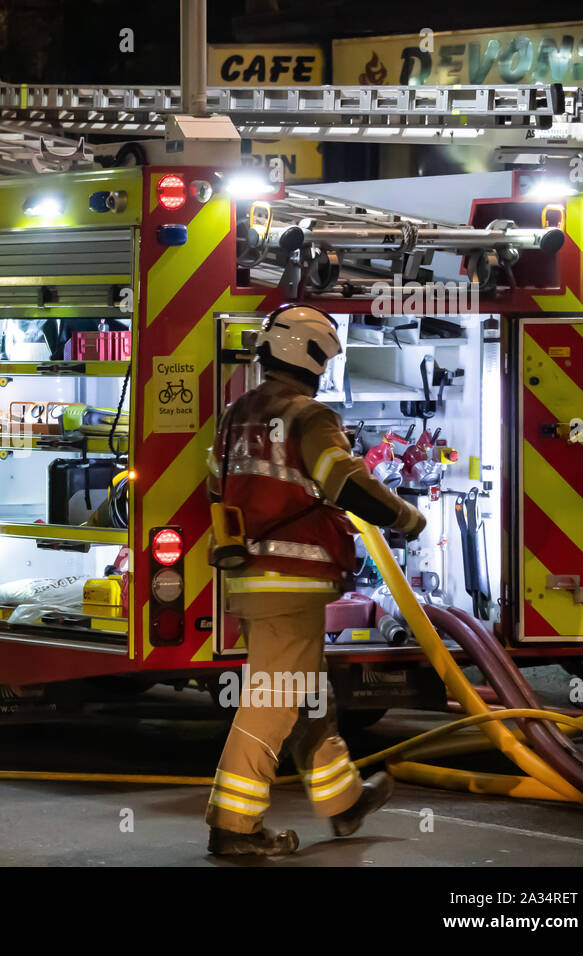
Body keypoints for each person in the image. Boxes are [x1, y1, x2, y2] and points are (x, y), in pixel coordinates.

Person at [205, 304, 427, 857]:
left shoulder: (237, 414)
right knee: (275, 701)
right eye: (325, 359)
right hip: (291, 580)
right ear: (308, 355)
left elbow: (216, 487)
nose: (325, 370)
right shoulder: (309, 415)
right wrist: (405, 516)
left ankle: (344, 802)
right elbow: (343, 480)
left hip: (251, 578)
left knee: (310, 700)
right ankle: (234, 826)